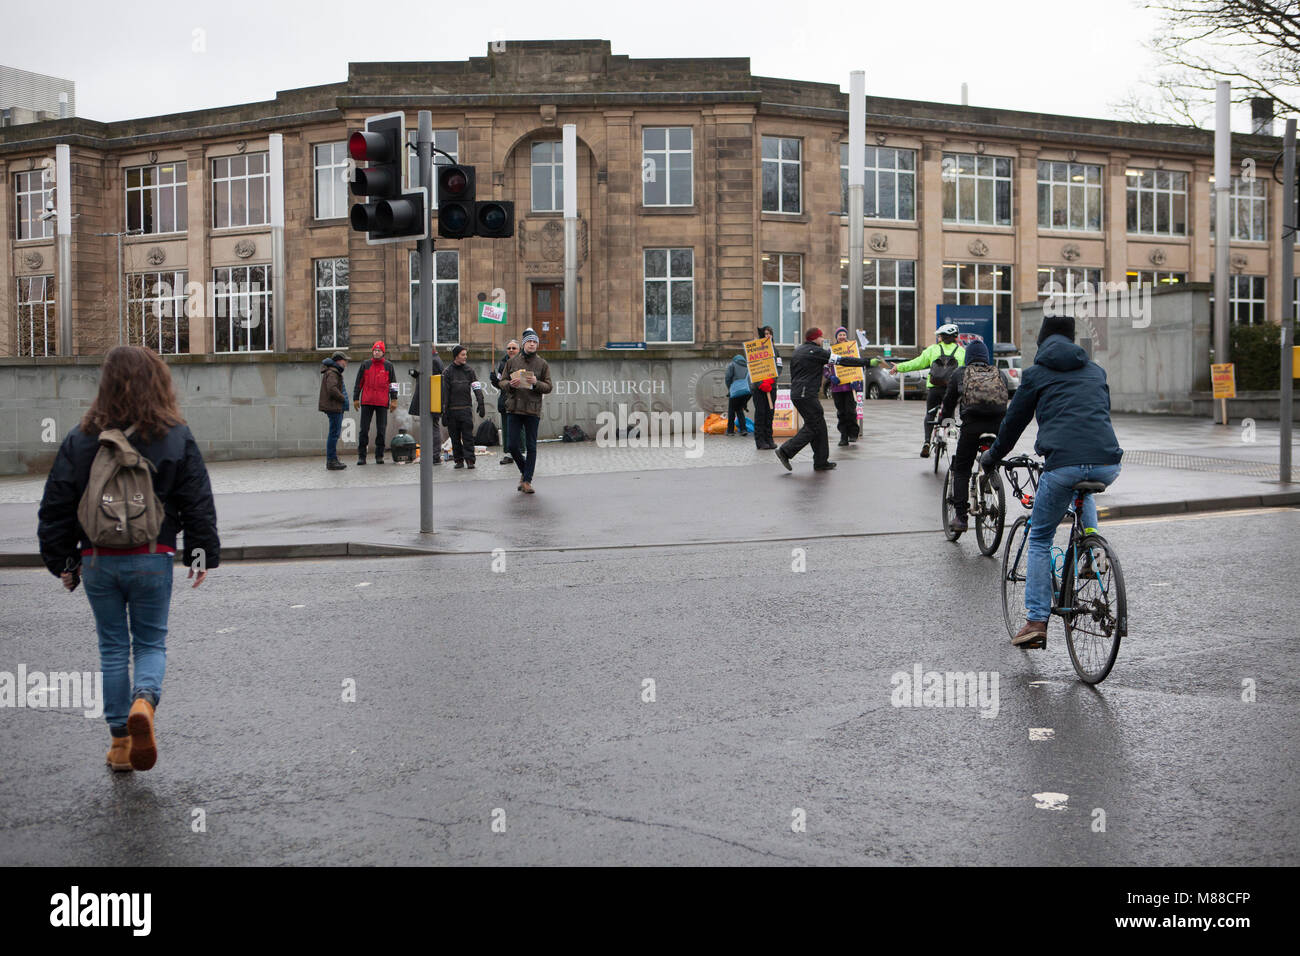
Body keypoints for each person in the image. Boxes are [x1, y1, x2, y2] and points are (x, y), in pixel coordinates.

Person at [36, 345, 220, 773]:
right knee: (151, 642)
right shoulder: (174, 434)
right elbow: (197, 500)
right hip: (153, 554)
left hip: (98, 559)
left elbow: (56, 505)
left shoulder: (82, 439)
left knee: (113, 647)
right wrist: (199, 554)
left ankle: (120, 743)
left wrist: (64, 562)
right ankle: (145, 702)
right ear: (158, 382)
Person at [980, 314, 1124, 647]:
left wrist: (992, 456)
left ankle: (1035, 623)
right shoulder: (1095, 370)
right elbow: (1097, 412)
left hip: (1063, 463)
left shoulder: (1036, 374)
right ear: (1072, 341)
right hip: (1106, 463)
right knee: (1082, 489)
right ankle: (1092, 555)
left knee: (1042, 536)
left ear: (1043, 342)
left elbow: (1013, 424)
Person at [938, 339, 1012, 533]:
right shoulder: (999, 374)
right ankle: (989, 483)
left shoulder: (960, 374)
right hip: (998, 426)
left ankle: (961, 517)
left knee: (962, 468)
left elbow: (948, 403)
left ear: (968, 357)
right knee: (991, 459)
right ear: (986, 357)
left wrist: (946, 420)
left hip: (972, 426)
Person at [775, 327, 869, 472]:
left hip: (798, 393)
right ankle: (785, 451)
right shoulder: (816, 352)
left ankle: (821, 461)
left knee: (820, 425)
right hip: (806, 394)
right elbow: (842, 360)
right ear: (815, 338)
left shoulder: (798, 351)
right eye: (821, 337)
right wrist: (865, 362)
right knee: (813, 425)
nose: (822, 339)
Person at [874, 323, 965, 457]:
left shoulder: (933, 349)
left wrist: (899, 367)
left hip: (934, 388)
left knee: (930, 414)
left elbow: (917, 363)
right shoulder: (961, 352)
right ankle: (951, 441)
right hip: (951, 390)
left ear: (942, 337)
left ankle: (927, 442)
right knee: (949, 412)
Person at [503, 328, 553, 494]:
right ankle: (525, 472)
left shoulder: (542, 364)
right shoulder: (512, 362)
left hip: (532, 409)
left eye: (535, 342)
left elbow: (548, 387)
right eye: (530, 341)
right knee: (512, 445)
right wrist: (510, 384)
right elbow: (501, 382)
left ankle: (527, 481)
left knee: (531, 446)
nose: (532, 344)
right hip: (514, 408)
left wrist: (535, 382)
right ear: (524, 344)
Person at [352, 340, 396, 465]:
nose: (376, 353)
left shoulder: (388, 366)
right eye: (375, 350)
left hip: (382, 402)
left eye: (379, 351)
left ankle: (379, 455)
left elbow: (393, 383)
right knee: (363, 430)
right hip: (367, 401)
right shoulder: (365, 364)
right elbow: (359, 382)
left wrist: (394, 399)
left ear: (383, 352)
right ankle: (362, 456)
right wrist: (356, 398)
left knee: (381, 430)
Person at [443, 345, 486, 469]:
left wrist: (481, 402)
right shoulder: (447, 372)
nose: (465, 357)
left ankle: (470, 460)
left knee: (468, 437)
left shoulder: (469, 371)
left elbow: (476, 387)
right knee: (454, 438)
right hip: (452, 411)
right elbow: (445, 393)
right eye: (463, 354)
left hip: (466, 409)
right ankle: (458, 460)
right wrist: (444, 411)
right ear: (456, 356)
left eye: (466, 354)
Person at [824, 326, 863, 446]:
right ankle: (843, 436)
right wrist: (830, 377)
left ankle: (853, 433)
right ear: (836, 337)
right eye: (839, 335)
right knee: (841, 412)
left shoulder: (852, 349)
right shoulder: (831, 350)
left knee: (851, 411)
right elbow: (825, 368)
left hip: (850, 386)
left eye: (843, 334)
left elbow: (859, 365)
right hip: (837, 387)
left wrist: (856, 380)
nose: (842, 337)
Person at [407, 345, 445, 465]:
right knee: (432, 426)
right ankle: (433, 455)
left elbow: (430, 381)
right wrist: (418, 375)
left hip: (430, 400)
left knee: (432, 427)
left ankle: (434, 455)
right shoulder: (435, 360)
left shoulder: (432, 361)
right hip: (431, 399)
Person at [318, 351, 350, 471]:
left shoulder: (333, 371)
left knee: (334, 433)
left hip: (334, 407)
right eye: (344, 360)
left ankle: (333, 459)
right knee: (334, 434)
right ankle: (331, 460)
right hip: (334, 407)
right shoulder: (333, 372)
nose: (346, 363)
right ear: (338, 361)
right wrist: (342, 398)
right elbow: (332, 389)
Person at [490, 340, 520, 465]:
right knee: (507, 428)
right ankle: (508, 453)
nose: (511, 350)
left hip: (520, 401)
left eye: (514, 348)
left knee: (520, 429)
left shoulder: (523, 362)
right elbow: (500, 384)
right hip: (506, 400)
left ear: (519, 349)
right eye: (509, 348)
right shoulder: (502, 364)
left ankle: (521, 452)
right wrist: (494, 381)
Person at [750, 325, 778, 450]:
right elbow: (753, 369)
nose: (768, 336)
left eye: (770, 333)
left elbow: (779, 367)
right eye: (766, 333)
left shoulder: (775, 350)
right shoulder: (755, 349)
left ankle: (769, 438)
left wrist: (772, 379)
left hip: (771, 387)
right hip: (759, 388)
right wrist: (760, 383)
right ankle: (760, 441)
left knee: (769, 413)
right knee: (760, 413)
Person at [724, 352, 751, 435]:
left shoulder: (732, 365)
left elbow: (728, 378)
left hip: (735, 391)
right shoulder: (748, 366)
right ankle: (743, 429)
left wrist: (730, 388)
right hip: (746, 391)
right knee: (739, 409)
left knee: (731, 410)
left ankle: (730, 430)